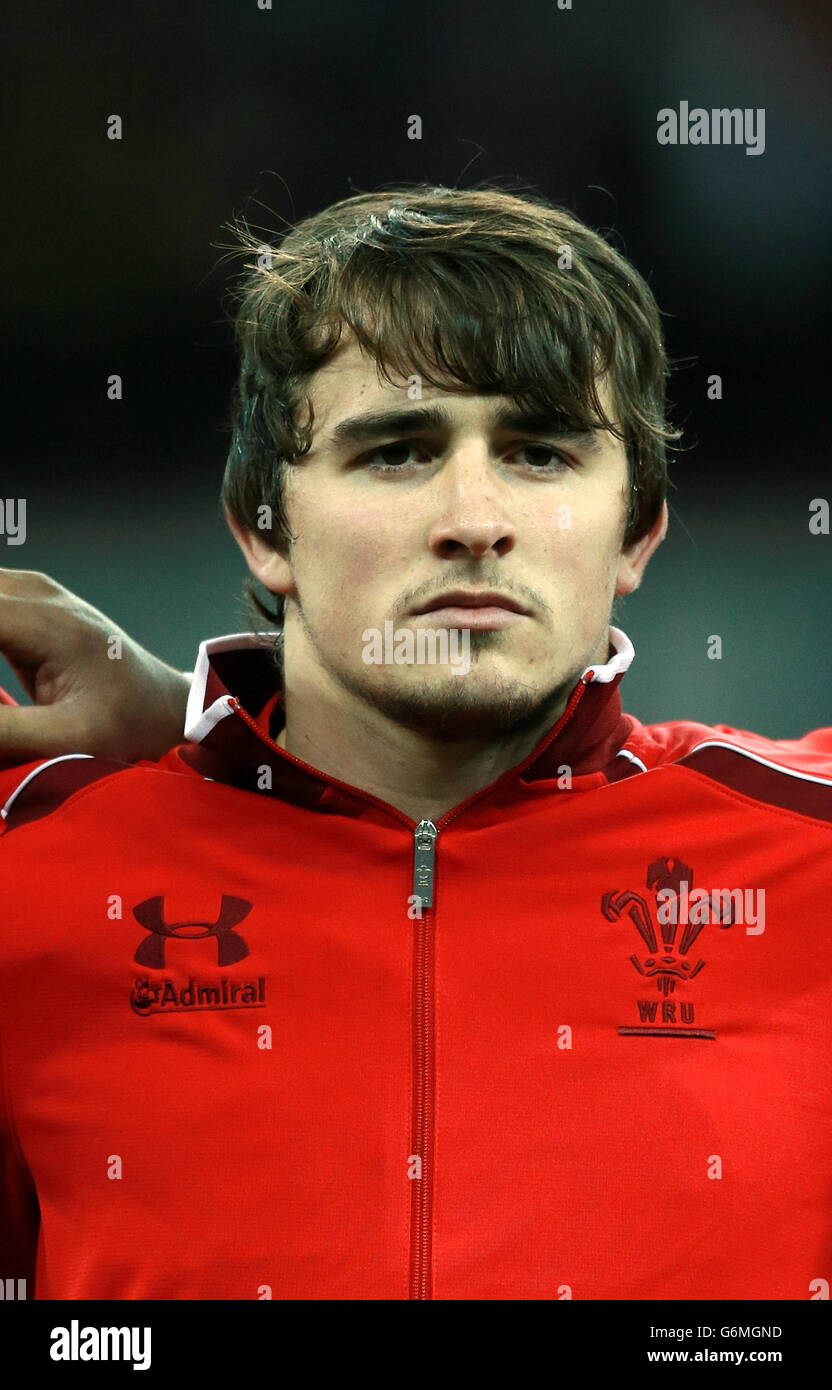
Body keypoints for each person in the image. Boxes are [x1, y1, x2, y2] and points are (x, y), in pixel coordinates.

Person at [1, 185, 830, 1302]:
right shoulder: (34, 882)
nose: (474, 516)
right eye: (397, 451)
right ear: (264, 523)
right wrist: (196, 759)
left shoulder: (809, 856)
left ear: (636, 529)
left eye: (539, 452)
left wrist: (180, 711)